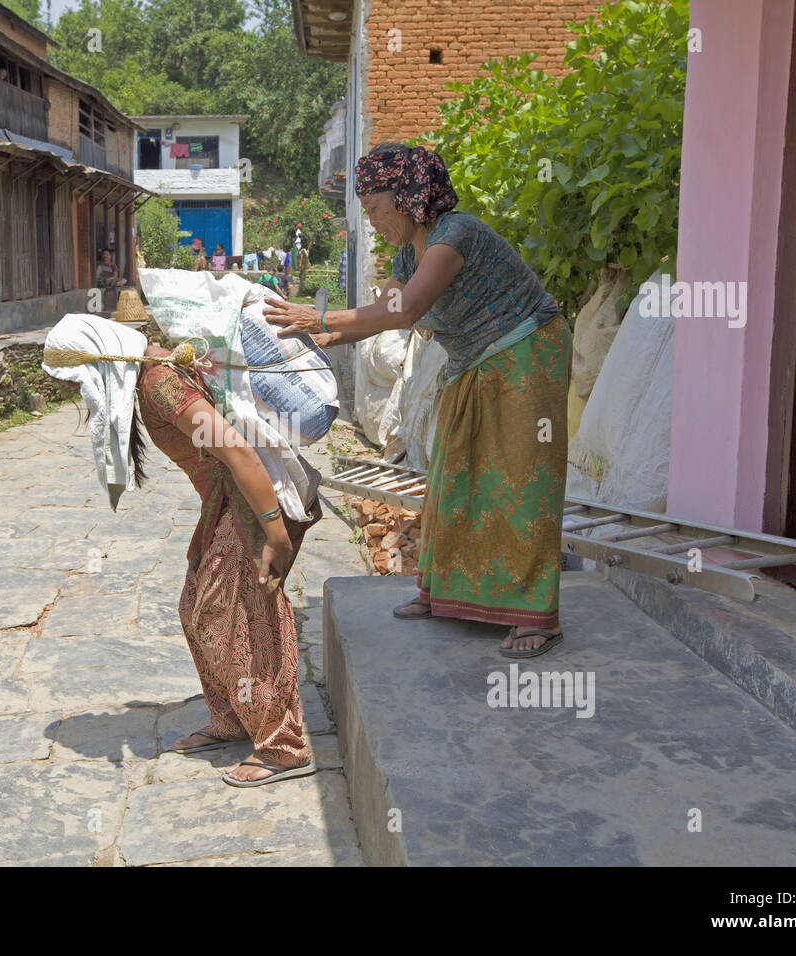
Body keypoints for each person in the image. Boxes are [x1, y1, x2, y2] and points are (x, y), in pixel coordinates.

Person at [263, 142, 571, 658]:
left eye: (377, 210)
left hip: (526, 352)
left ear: (407, 197)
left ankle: (535, 614)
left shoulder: (455, 236)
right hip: (474, 362)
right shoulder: (410, 252)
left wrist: (316, 319)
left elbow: (405, 310)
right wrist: (298, 340)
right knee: (455, 474)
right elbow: (377, 311)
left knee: (519, 480)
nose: (375, 222)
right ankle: (447, 593)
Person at [43, 315, 320, 786]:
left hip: (253, 502)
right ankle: (235, 716)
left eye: (77, 380)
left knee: (235, 612)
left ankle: (284, 745)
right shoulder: (152, 375)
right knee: (198, 608)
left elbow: (237, 453)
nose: (77, 393)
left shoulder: (159, 384)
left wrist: (274, 530)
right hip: (226, 502)